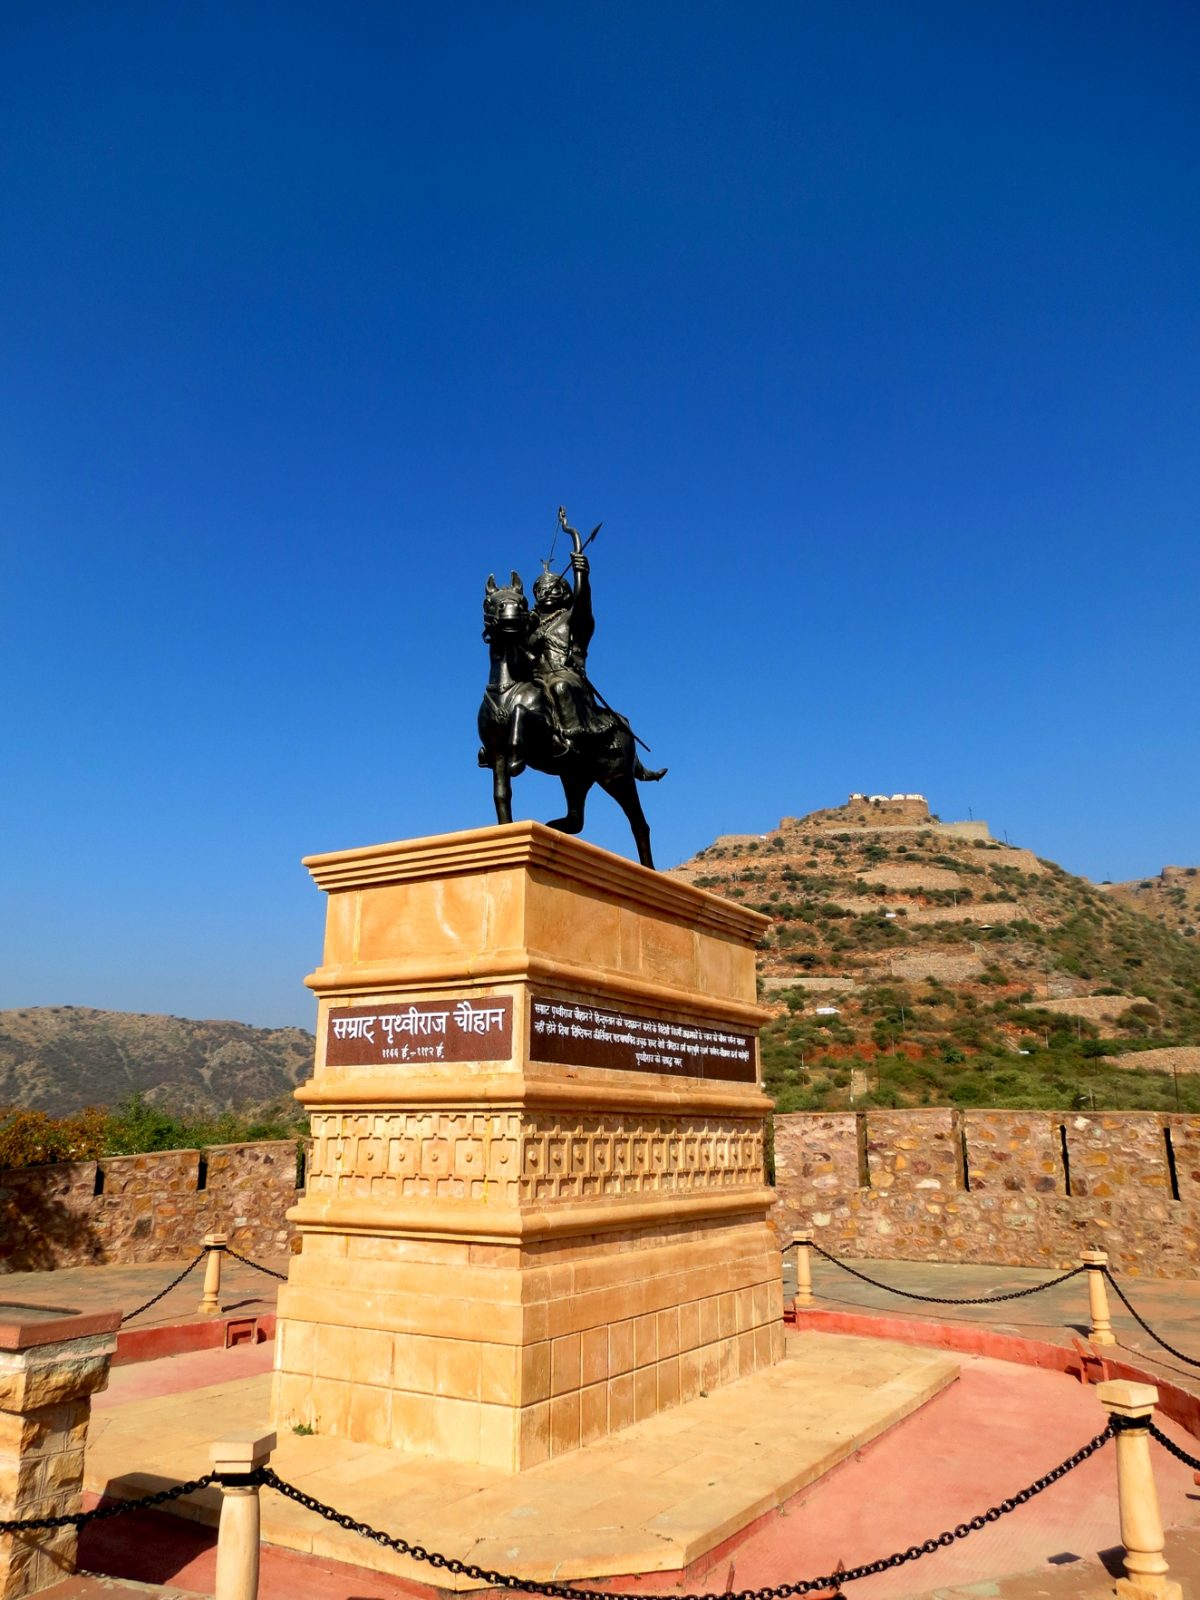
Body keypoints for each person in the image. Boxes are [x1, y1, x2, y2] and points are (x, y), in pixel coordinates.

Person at [526, 511, 610, 754]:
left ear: (564, 593)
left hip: (566, 675)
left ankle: (575, 737)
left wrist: (580, 573)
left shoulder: (571, 618)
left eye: (552, 588)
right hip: (537, 678)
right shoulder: (533, 623)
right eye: (540, 589)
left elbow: (583, 601)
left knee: (560, 685)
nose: (545, 592)